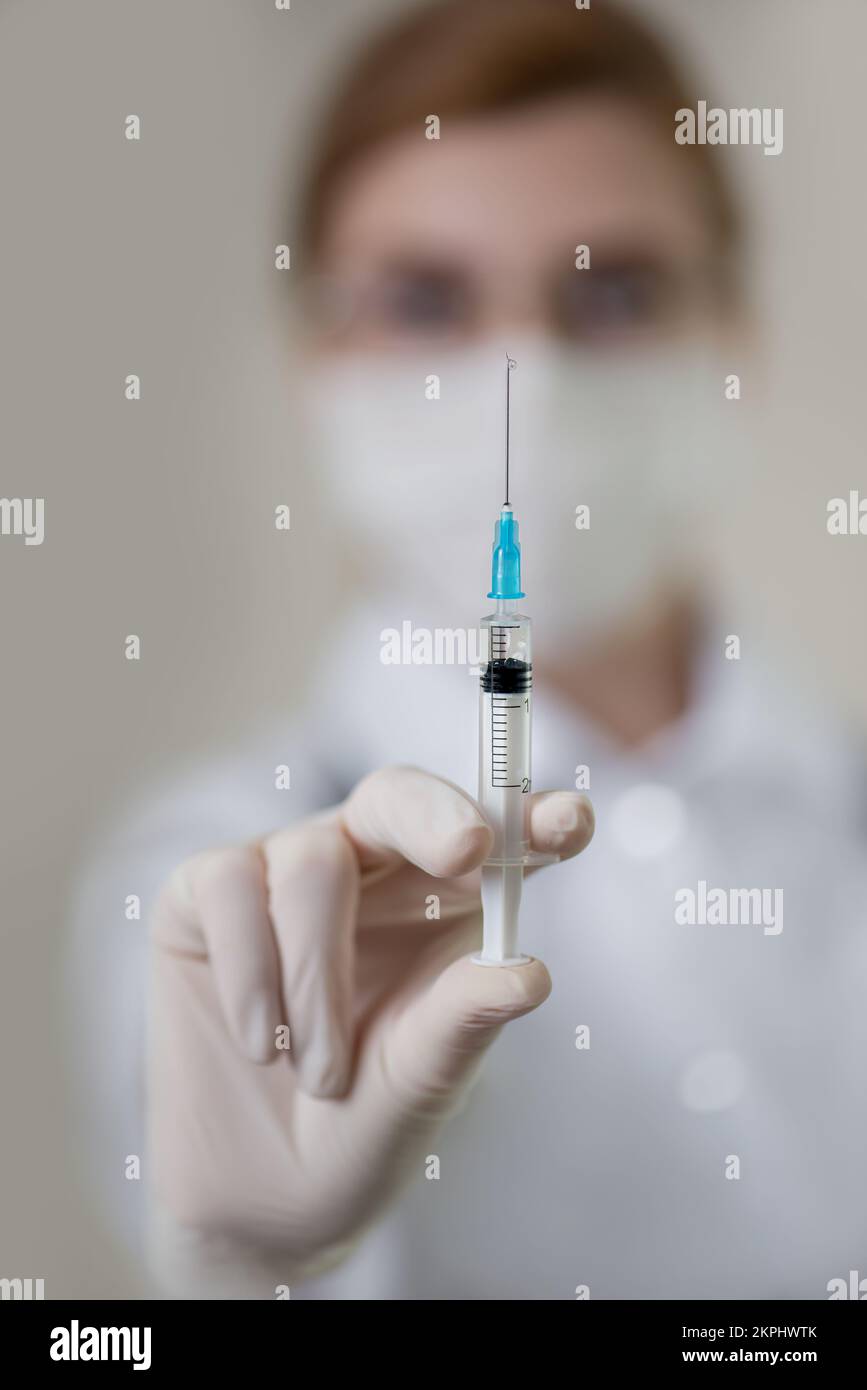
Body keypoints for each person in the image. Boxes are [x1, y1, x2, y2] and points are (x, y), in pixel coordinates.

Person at [71, 0, 867, 1300]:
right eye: (425, 300)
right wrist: (244, 1266)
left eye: (612, 291)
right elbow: (180, 1102)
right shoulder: (213, 869)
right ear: (312, 363)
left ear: (739, 340)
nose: (522, 381)